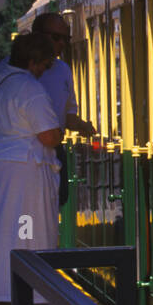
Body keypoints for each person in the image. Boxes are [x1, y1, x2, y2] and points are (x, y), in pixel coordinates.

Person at [0, 32, 62, 305]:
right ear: (33, 61)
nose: (45, 70)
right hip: (23, 174)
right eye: (45, 65)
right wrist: (62, 134)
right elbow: (48, 136)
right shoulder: (28, 88)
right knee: (26, 234)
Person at [31, 12, 96, 206]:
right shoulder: (17, 71)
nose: (62, 44)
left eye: (66, 39)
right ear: (37, 36)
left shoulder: (63, 70)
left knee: (55, 202)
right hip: (27, 154)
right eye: (56, 37)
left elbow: (67, 114)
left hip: (53, 150)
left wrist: (83, 126)